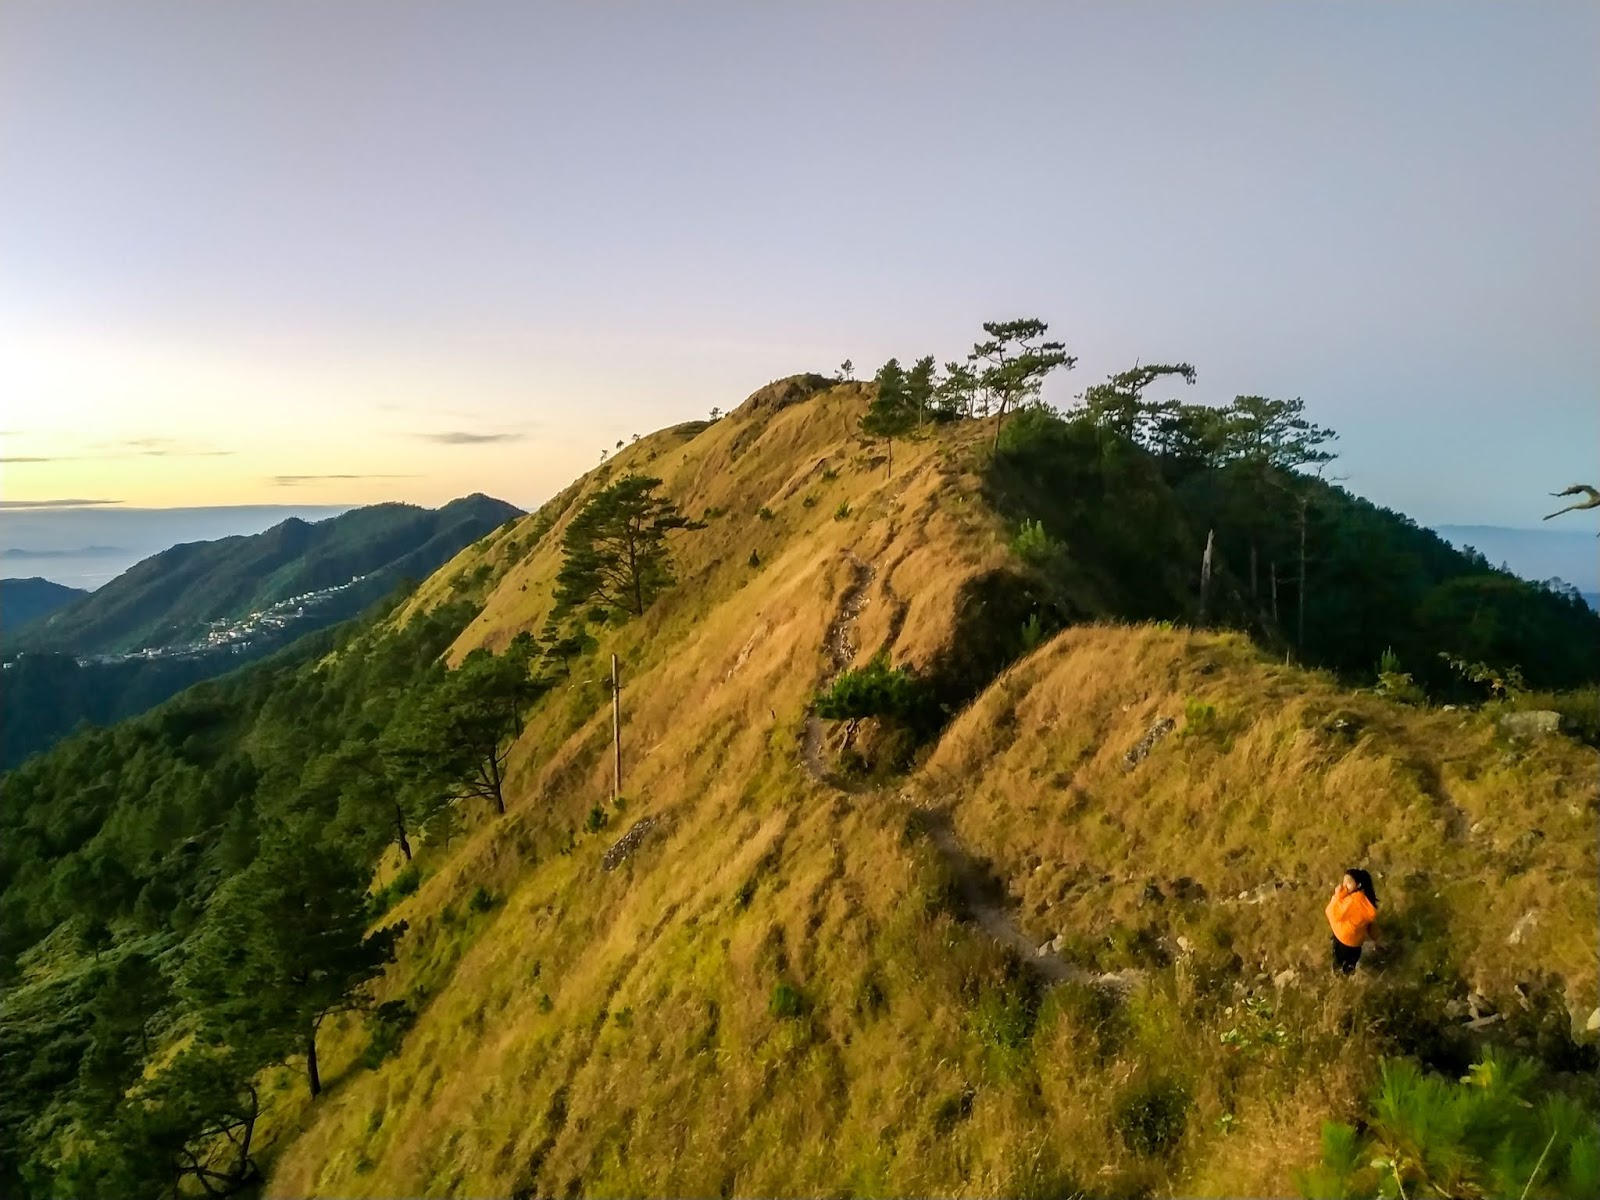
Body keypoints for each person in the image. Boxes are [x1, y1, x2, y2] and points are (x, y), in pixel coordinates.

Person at [1325, 868, 1378, 974]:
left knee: (1337, 970)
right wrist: (1375, 939)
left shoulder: (1352, 901)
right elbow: (1368, 925)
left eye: (1349, 883)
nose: (1344, 885)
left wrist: (1337, 896)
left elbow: (1331, 912)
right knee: (1349, 970)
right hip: (1356, 946)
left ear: (1358, 885)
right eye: (1344, 881)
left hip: (1343, 941)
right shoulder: (1365, 901)